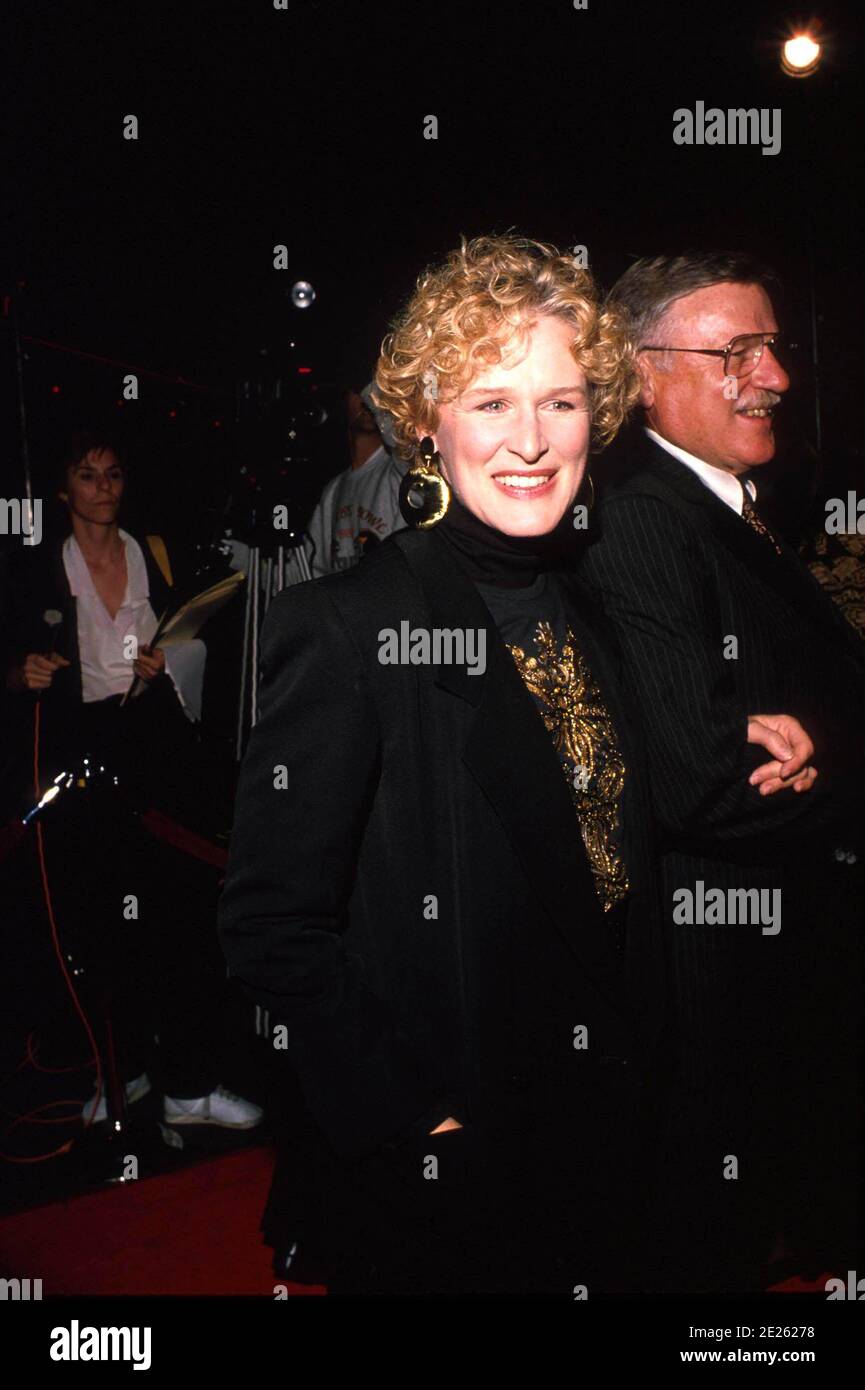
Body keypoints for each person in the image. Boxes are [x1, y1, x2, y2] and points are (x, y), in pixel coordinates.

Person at [217, 236, 809, 1296]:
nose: (531, 441)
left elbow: (592, 812)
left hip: (609, 1141)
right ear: (427, 423)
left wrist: (746, 737)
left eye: (561, 402)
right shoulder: (348, 626)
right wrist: (411, 1115)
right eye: (491, 404)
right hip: (452, 1180)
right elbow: (270, 924)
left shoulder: (587, 602)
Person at [577, 252, 865, 1291]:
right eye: (735, 350)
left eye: (773, 346)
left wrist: (818, 741)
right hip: (726, 995)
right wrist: (836, 767)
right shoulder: (646, 517)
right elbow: (702, 778)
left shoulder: (728, 502)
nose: (775, 374)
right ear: (643, 372)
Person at [2, 432, 262, 1132]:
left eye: (113, 473)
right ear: (64, 490)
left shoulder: (154, 552)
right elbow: (10, 658)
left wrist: (167, 660)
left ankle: (190, 1081)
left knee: (181, 914)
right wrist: (16, 674)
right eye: (87, 475)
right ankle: (119, 1073)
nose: (103, 487)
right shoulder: (36, 568)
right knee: (98, 922)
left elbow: (194, 638)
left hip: (153, 745)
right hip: (79, 749)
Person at [303, 383, 408, 577]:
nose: (366, 400)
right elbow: (313, 566)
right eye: (357, 390)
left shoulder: (398, 470)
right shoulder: (333, 490)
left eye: (373, 392)